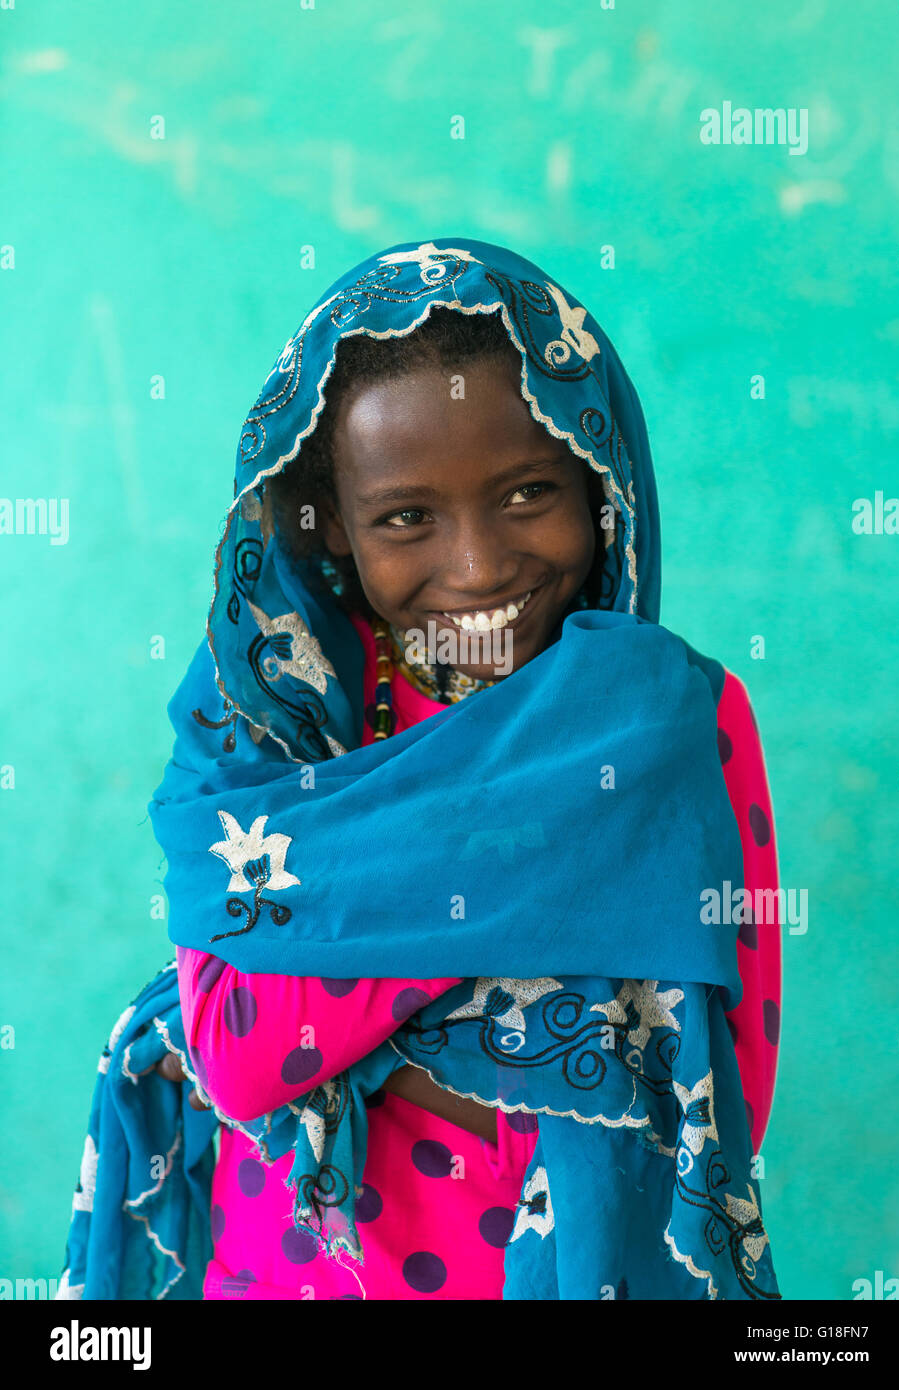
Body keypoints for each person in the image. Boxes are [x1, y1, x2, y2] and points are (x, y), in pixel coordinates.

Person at [58, 237, 781, 1302]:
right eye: (405, 517)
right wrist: (538, 878)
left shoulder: (668, 721)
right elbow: (242, 1055)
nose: (481, 565)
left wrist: (357, 919)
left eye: (529, 492)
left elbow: (720, 1088)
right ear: (333, 529)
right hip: (287, 1264)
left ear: (601, 486)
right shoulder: (267, 713)